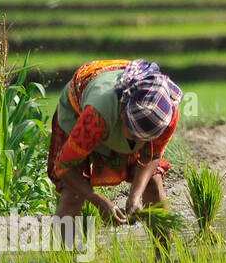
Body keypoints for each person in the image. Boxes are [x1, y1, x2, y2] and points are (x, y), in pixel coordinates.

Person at [49, 59, 182, 246]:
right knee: (73, 193)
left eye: (145, 140)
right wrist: (99, 201)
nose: (138, 144)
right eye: (134, 136)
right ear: (123, 116)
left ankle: (165, 256)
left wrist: (135, 195)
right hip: (79, 107)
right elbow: (64, 167)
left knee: (152, 182)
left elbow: (152, 155)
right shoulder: (96, 117)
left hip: (116, 105)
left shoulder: (165, 112)